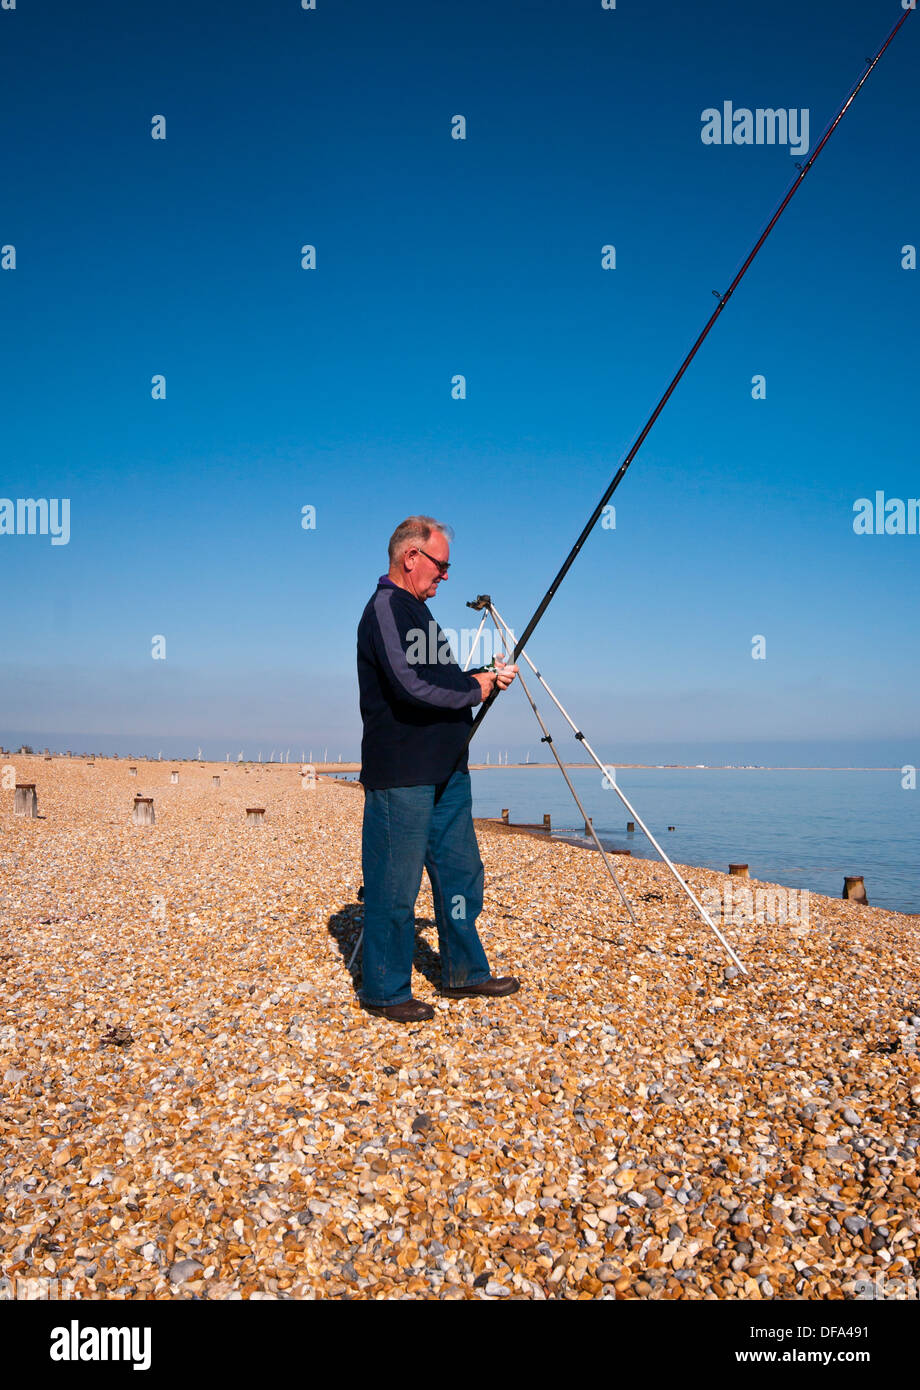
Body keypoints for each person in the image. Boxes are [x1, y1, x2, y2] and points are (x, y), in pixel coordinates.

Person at [356, 515, 520, 1021]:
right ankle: (385, 990)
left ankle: (464, 973)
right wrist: (478, 689)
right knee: (394, 885)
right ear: (411, 557)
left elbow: (440, 680)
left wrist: (482, 676)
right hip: (403, 774)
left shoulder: (420, 614)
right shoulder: (386, 608)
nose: (445, 576)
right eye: (441, 565)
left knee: (460, 874)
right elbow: (410, 686)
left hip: (448, 772)